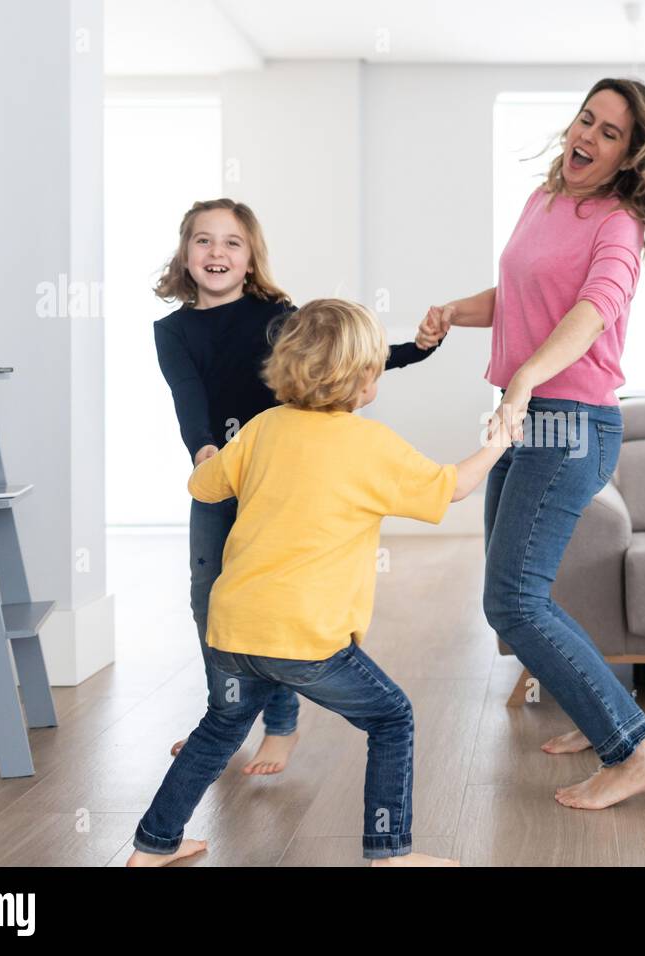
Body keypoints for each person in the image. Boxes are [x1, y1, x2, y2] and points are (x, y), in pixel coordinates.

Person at [129, 298, 512, 867]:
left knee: (218, 729)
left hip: (234, 632)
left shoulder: (261, 429)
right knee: (390, 717)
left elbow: (204, 488)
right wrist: (499, 441)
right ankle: (390, 853)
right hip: (307, 641)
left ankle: (152, 846)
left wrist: (212, 450)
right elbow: (451, 487)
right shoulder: (370, 445)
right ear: (365, 378)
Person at [417, 78, 645, 809]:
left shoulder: (618, 224)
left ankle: (630, 753)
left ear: (630, 157)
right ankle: (596, 710)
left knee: (512, 601)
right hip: (529, 414)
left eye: (612, 133)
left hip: (570, 425)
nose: (591, 136)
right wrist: (455, 311)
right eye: (588, 120)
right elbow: (519, 297)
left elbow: (592, 312)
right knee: (518, 594)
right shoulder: (543, 203)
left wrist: (522, 383)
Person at [153, 198, 444, 775]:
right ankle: (224, 719)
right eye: (203, 241)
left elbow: (346, 357)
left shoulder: (278, 316)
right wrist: (206, 451)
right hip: (222, 470)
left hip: (284, 478)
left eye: (232, 242)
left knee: (274, 600)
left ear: (251, 256)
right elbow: (187, 395)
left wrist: (420, 347)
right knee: (208, 597)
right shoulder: (172, 330)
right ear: (185, 254)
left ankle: (281, 728)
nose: (217, 252)